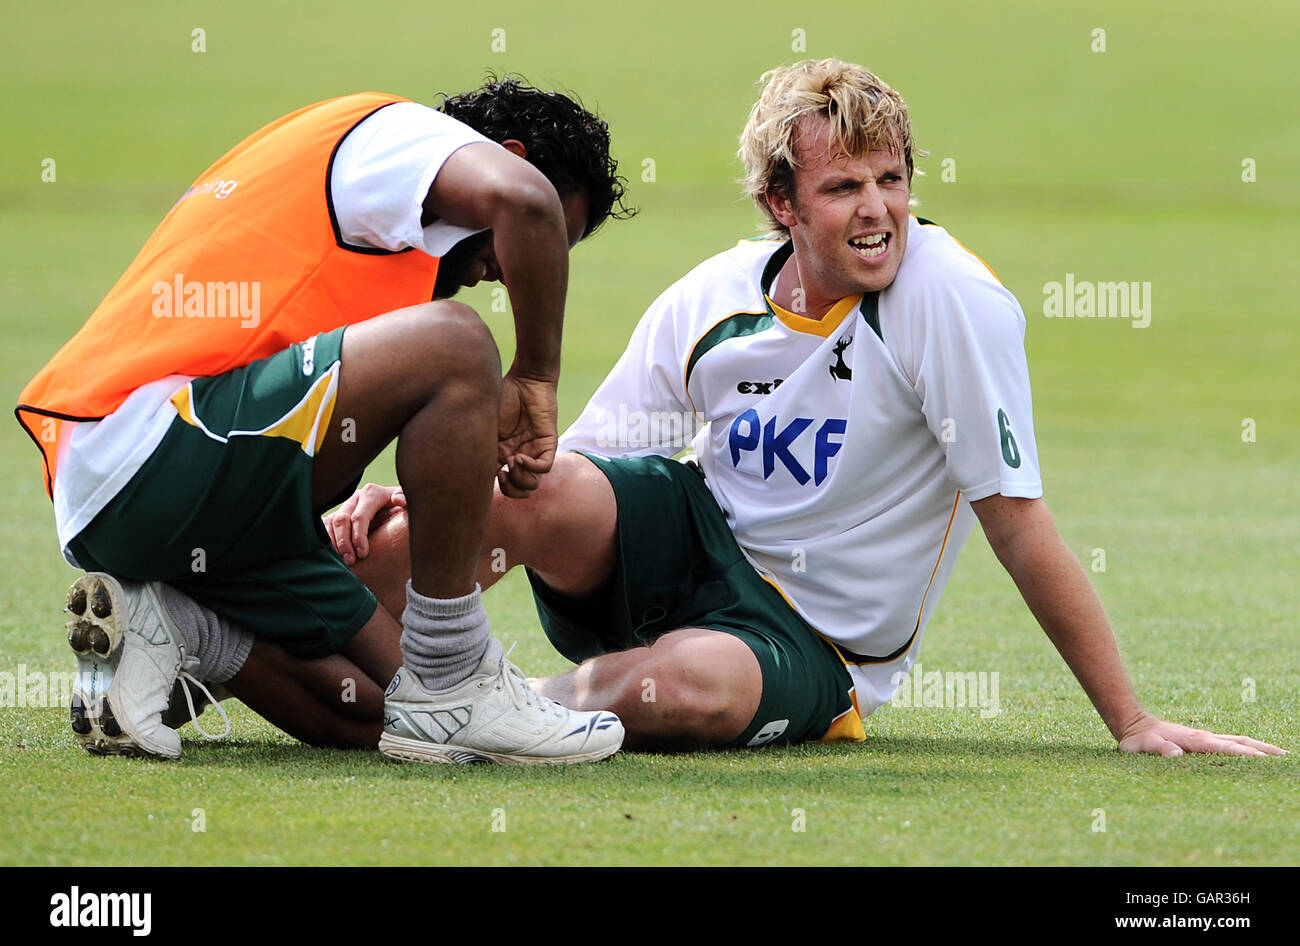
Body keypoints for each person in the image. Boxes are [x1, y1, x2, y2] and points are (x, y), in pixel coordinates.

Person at [207, 60, 1289, 758]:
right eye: (842, 188)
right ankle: (207, 628)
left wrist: (1131, 720)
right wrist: (425, 493)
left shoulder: (951, 301)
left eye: (892, 180)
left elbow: (1016, 517)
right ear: (781, 201)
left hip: (810, 637)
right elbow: (567, 461)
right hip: (688, 538)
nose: (877, 212)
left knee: (685, 688)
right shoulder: (716, 293)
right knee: (494, 501)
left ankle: (487, 702)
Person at [16, 77, 634, 765]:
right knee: (461, 344)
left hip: (167, 499)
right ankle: (458, 671)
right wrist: (535, 378)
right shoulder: (400, 136)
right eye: (525, 251)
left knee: (381, 714)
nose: (505, 272)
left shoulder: (393, 223)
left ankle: (173, 629)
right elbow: (527, 202)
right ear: (508, 155)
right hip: (151, 449)